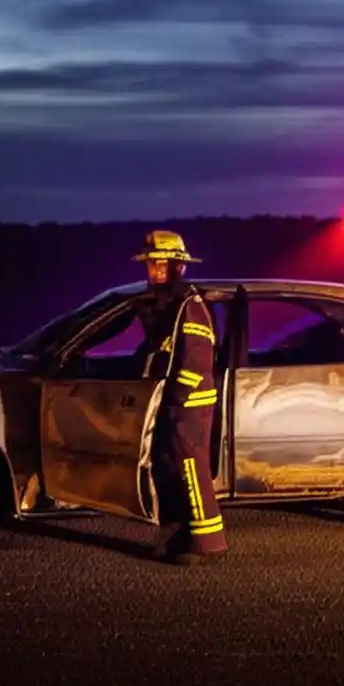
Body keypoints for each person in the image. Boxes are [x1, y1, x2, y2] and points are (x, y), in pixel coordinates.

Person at [130, 230, 228, 566]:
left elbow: (197, 359)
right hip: (172, 400)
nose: (154, 269)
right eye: (151, 263)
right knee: (171, 467)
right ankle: (179, 533)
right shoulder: (166, 303)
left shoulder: (190, 305)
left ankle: (207, 542)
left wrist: (178, 397)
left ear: (178, 267)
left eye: (161, 263)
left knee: (191, 468)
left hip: (191, 402)